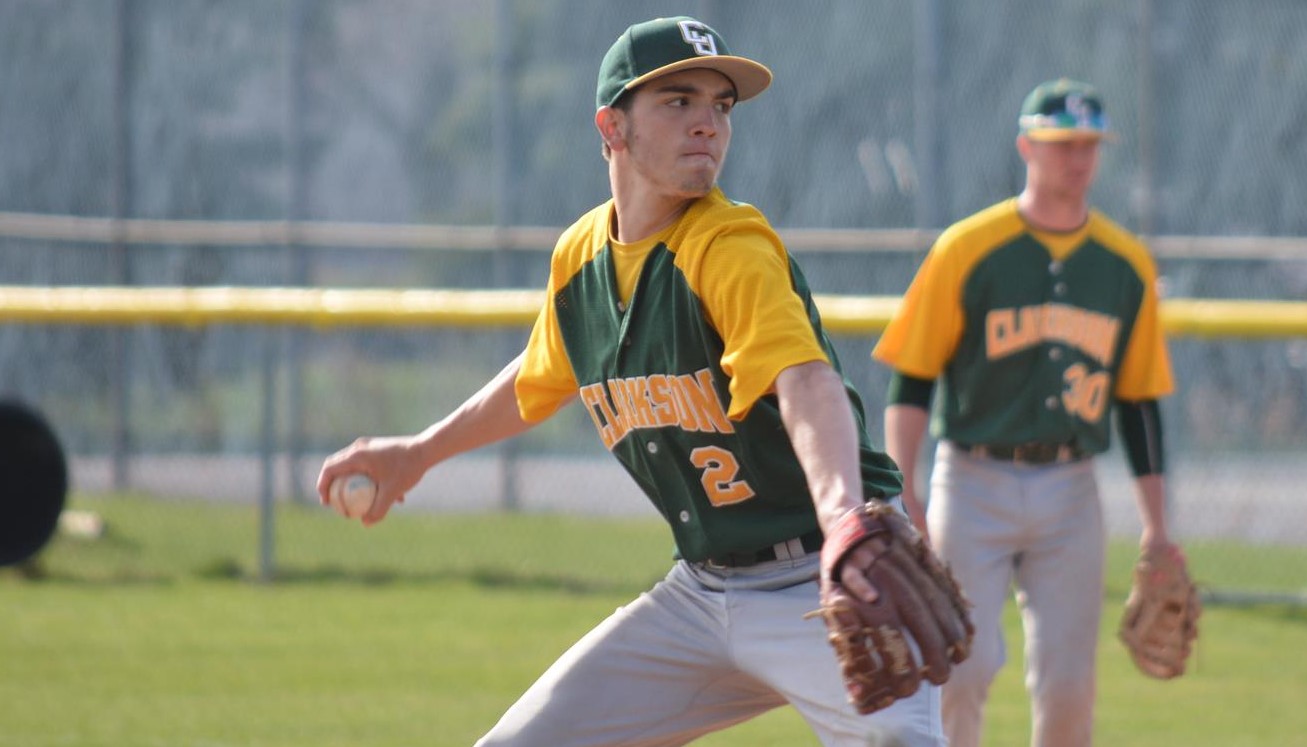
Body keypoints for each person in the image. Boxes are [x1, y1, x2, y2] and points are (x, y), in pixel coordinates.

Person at [319, 16, 947, 747]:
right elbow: (539, 376)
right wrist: (418, 452)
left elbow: (804, 381)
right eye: (678, 101)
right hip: (700, 595)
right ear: (611, 126)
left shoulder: (728, 244)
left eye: (720, 105)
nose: (707, 123)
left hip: (829, 574)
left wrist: (842, 517)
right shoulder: (582, 256)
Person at [871, 78, 1183, 747]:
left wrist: (1157, 527)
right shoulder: (966, 247)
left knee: (1069, 682)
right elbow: (913, 378)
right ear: (1027, 148)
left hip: (1071, 488)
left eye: (1088, 145)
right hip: (972, 480)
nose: (1078, 158)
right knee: (960, 664)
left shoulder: (1125, 263)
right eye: (1062, 143)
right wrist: (903, 490)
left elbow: (1138, 401)